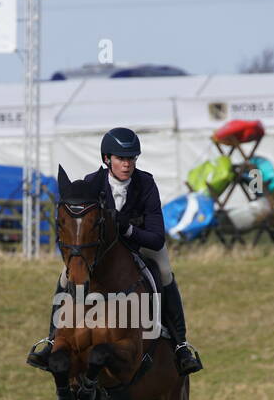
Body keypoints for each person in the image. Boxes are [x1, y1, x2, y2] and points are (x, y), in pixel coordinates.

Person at [26, 126, 203, 375]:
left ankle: (180, 345)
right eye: (121, 158)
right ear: (107, 159)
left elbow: (156, 237)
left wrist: (127, 230)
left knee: (164, 271)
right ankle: (52, 341)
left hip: (139, 244)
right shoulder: (91, 184)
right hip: (101, 251)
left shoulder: (146, 183)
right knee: (65, 276)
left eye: (131, 158)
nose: (127, 164)